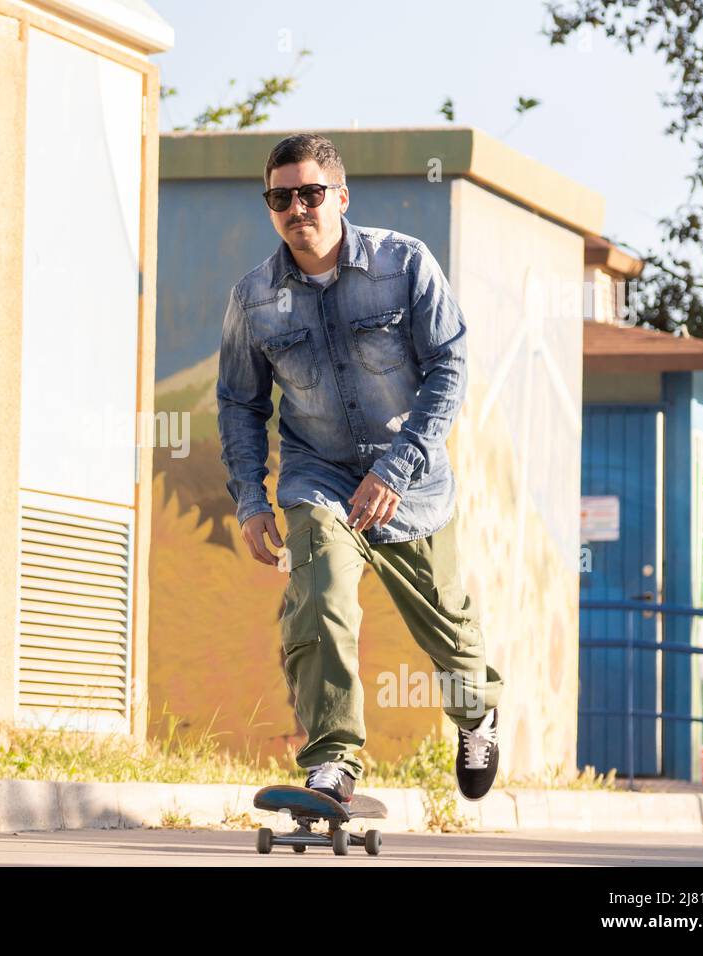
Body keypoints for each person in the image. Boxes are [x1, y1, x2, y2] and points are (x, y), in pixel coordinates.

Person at [215, 133, 505, 804]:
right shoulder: (253, 299)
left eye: (311, 193)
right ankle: (333, 758)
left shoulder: (404, 264)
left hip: (411, 480)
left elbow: (451, 366)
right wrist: (252, 501)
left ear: (341, 197)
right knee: (319, 599)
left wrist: (399, 467)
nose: (297, 208)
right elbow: (239, 404)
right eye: (280, 197)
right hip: (318, 476)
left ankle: (476, 713)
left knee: (449, 628)